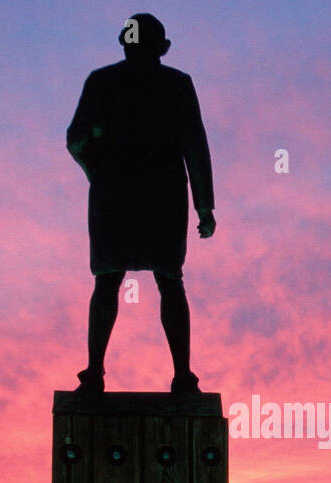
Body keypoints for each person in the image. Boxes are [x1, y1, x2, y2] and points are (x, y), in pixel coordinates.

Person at [67, 13, 216, 395]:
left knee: (118, 282)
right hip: (156, 196)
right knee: (159, 281)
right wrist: (203, 206)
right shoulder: (175, 85)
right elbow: (194, 147)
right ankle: (177, 375)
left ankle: (100, 372)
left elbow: (77, 139)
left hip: (121, 194)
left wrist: (97, 170)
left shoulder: (103, 82)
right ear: (158, 47)